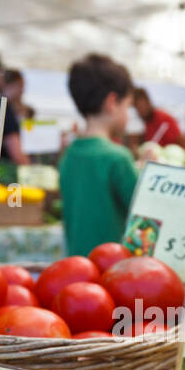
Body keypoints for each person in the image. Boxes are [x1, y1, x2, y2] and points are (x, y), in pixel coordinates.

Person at [58, 54, 140, 255]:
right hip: (110, 272)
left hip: (77, 269)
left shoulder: (69, 154)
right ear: (112, 102)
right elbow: (141, 209)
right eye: (128, 106)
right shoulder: (118, 158)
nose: (128, 115)